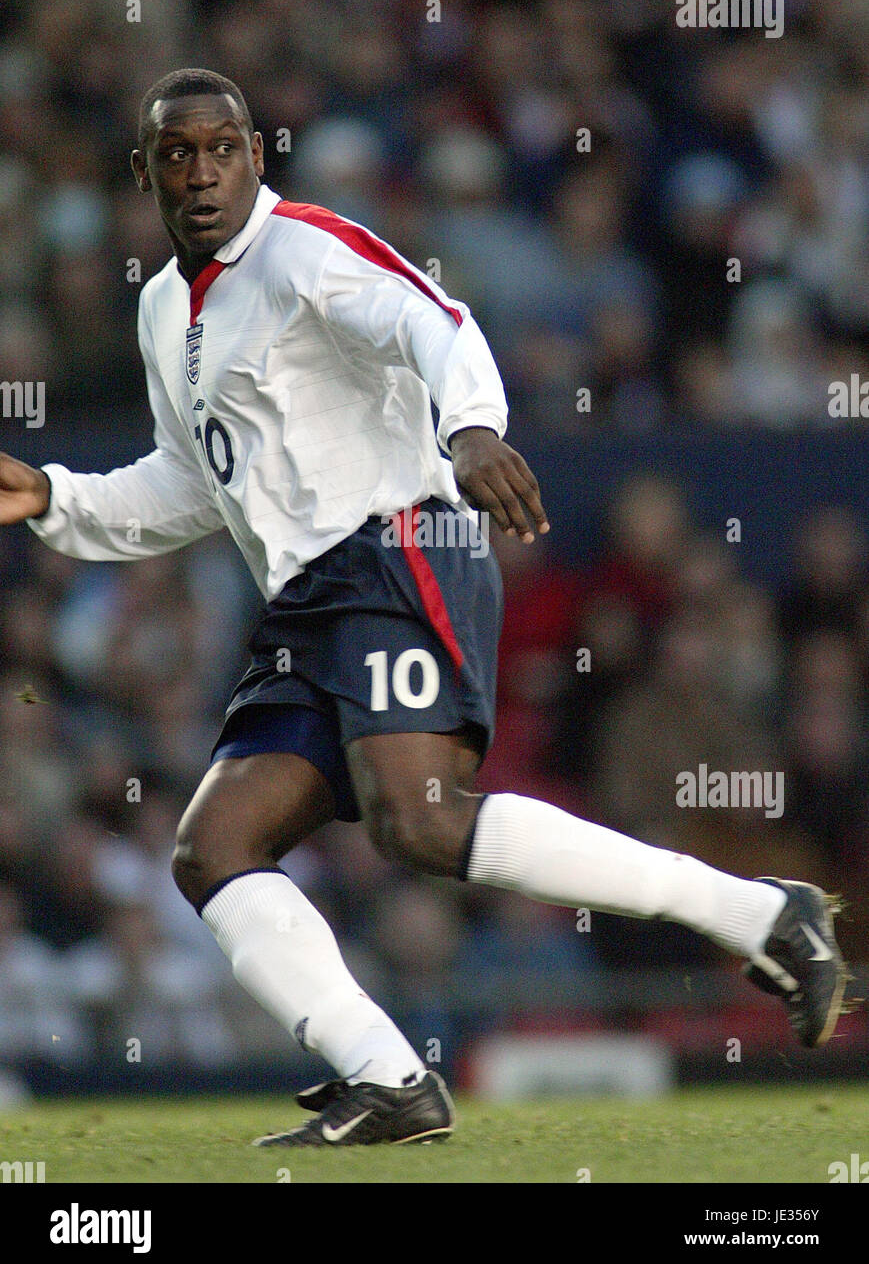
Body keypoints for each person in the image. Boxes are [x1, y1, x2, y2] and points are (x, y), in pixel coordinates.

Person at [0, 69, 848, 1147]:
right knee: (213, 848)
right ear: (144, 172)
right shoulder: (165, 309)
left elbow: (435, 323)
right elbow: (188, 481)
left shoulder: (306, 248)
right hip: (308, 599)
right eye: (178, 153)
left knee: (421, 816)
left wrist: (472, 430)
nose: (202, 170)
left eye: (223, 147)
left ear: (258, 155)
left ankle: (756, 913)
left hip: (399, 544)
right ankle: (388, 1077)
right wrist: (56, 498)